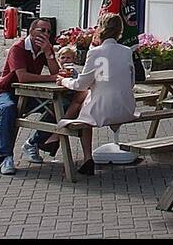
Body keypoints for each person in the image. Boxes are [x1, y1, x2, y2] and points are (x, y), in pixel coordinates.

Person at [48, 13, 136, 175]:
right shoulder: (126, 51)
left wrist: (64, 81)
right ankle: (56, 138)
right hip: (126, 107)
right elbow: (131, 82)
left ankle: (82, 154)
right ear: (119, 31)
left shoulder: (95, 52)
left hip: (104, 110)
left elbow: (81, 84)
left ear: (100, 29)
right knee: (84, 99)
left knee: (83, 105)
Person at [0, 17, 63, 175]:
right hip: (5, 92)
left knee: (60, 106)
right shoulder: (18, 48)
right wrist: (50, 78)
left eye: (48, 32)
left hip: (28, 94)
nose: (45, 34)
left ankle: (33, 143)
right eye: (42, 30)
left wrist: (49, 53)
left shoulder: (44, 49)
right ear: (31, 31)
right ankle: (5, 156)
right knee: (8, 109)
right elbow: (22, 77)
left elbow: (56, 72)